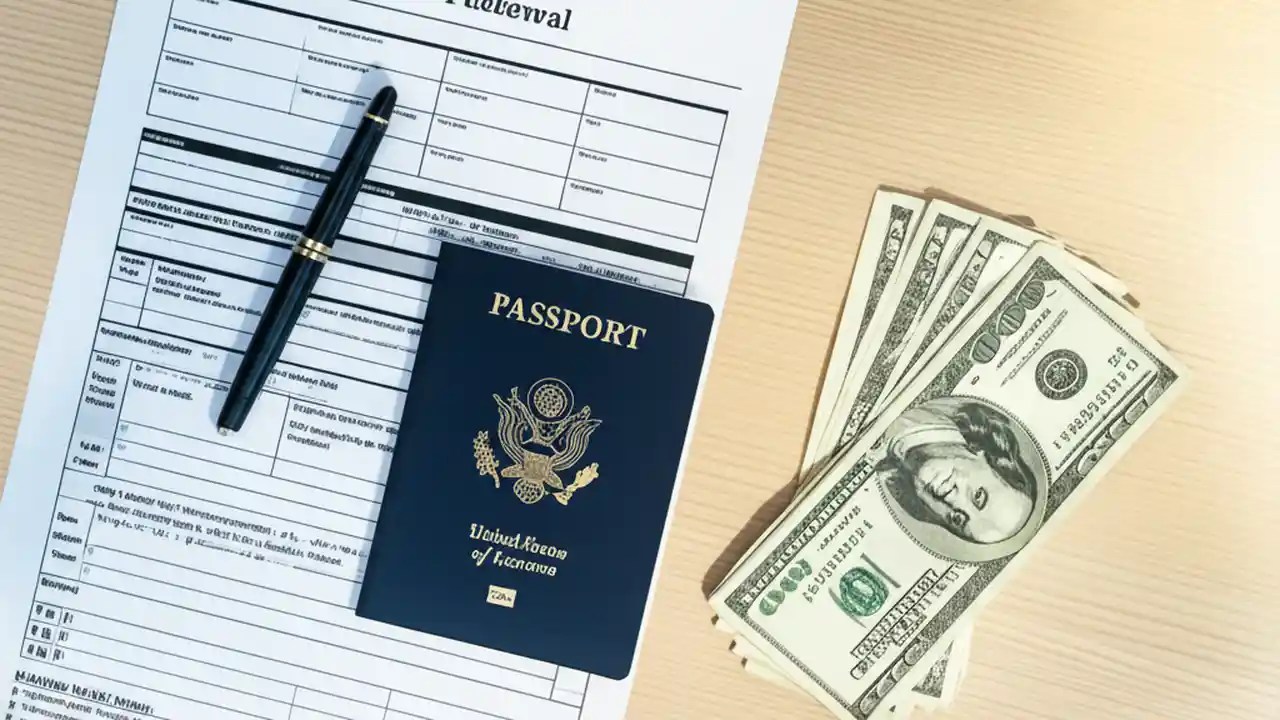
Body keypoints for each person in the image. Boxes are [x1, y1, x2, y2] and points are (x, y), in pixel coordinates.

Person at [874, 399, 1037, 545]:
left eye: (957, 519)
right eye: (978, 496)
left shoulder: (885, 475)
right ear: (986, 456)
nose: (952, 500)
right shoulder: (932, 410)